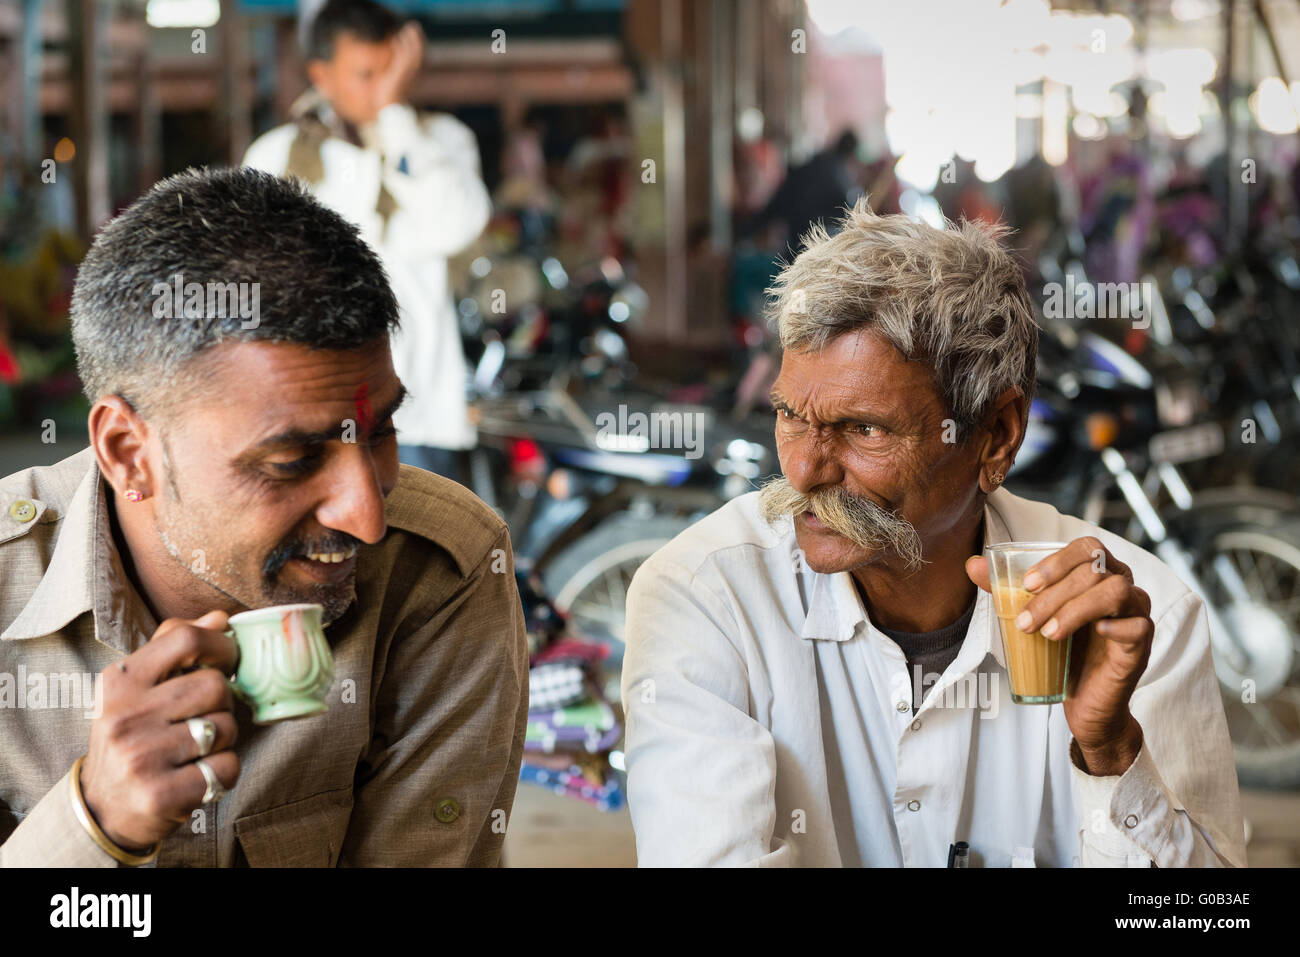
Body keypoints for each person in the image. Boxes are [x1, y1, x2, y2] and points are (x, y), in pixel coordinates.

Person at [621, 198, 1245, 867]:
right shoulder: (707, 598)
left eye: (864, 429)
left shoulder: (1140, 617)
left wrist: (1114, 748)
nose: (803, 469)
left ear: (996, 435)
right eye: (790, 415)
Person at [0, 167, 528, 866]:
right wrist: (94, 824)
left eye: (379, 432)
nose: (367, 517)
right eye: (290, 461)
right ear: (129, 453)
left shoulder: (438, 573)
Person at [244, 0, 491, 484]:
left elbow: (457, 223)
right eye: (366, 75)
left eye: (393, 73)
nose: (384, 89)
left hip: (417, 414)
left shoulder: (440, 141)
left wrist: (395, 120)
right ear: (322, 73)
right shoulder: (276, 157)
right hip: (309, 411)